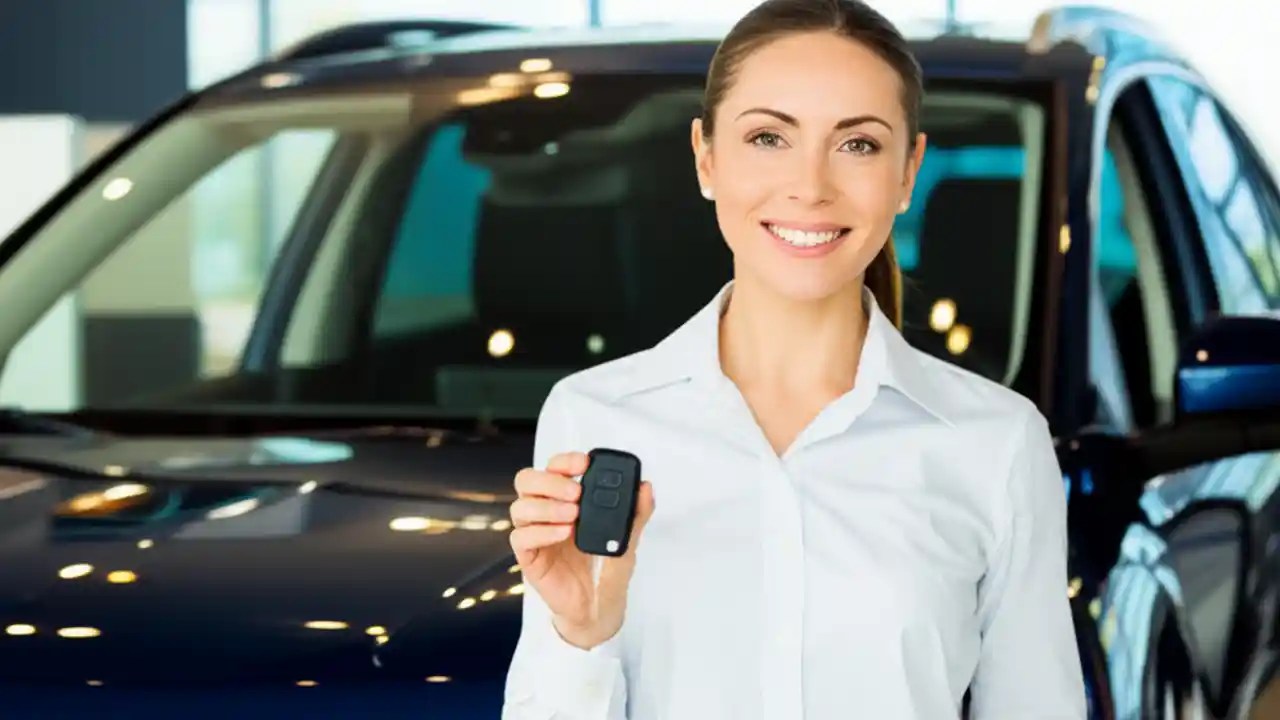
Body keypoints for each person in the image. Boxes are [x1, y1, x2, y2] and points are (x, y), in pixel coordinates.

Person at [501, 0, 1087, 717]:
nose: (810, 186)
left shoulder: (995, 442)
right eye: (769, 137)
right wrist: (581, 636)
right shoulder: (594, 419)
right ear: (706, 157)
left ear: (909, 172)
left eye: (858, 145)